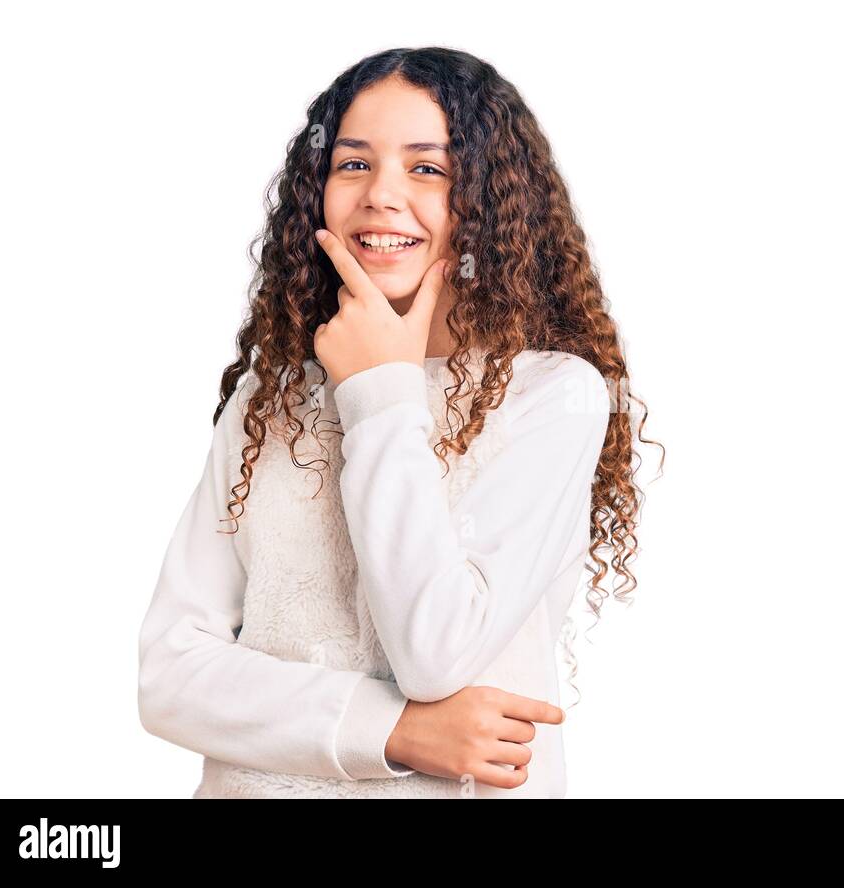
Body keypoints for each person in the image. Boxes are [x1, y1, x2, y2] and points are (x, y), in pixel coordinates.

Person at [136, 46, 662, 798]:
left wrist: (381, 391)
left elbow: (438, 650)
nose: (382, 195)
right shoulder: (270, 395)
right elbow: (169, 672)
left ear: (489, 200)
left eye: (427, 168)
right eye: (353, 164)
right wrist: (394, 731)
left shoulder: (554, 396)